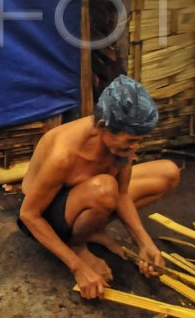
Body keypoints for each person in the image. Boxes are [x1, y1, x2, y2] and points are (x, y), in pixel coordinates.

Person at [18, 75, 180, 299]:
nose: (135, 149)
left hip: (91, 193)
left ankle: (91, 228)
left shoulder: (118, 147)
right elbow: (28, 215)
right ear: (103, 126)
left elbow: (122, 194)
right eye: (130, 141)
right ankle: (77, 245)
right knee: (105, 188)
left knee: (167, 173)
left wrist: (144, 243)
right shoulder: (64, 154)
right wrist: (78, 267)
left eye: (139, 141)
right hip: (47, 211)